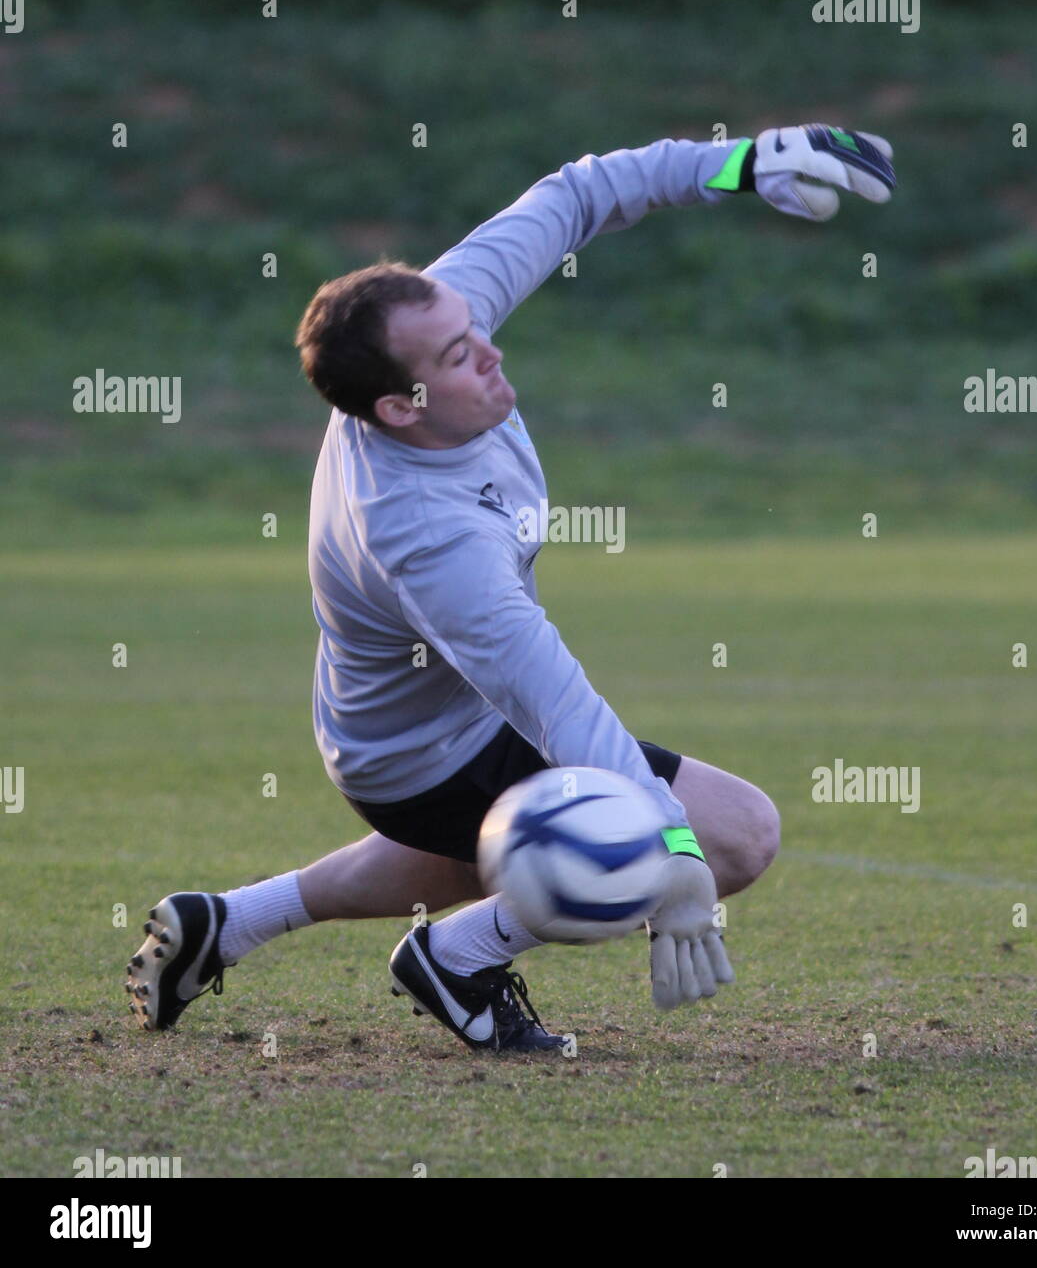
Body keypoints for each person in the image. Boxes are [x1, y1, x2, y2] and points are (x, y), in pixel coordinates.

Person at [125, 125, 895, 1052]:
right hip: (416, 752)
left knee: (467, 858)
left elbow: (576, 194)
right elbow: (555, 701)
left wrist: (740, 162)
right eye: (455, 358)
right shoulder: (427, 539)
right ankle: (457, 958)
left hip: (425, 717)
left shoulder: (436, 315)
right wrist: (676, 855)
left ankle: (230, 922)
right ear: (399, 409)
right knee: (734, 835)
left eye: (470, 328)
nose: (486, 352)